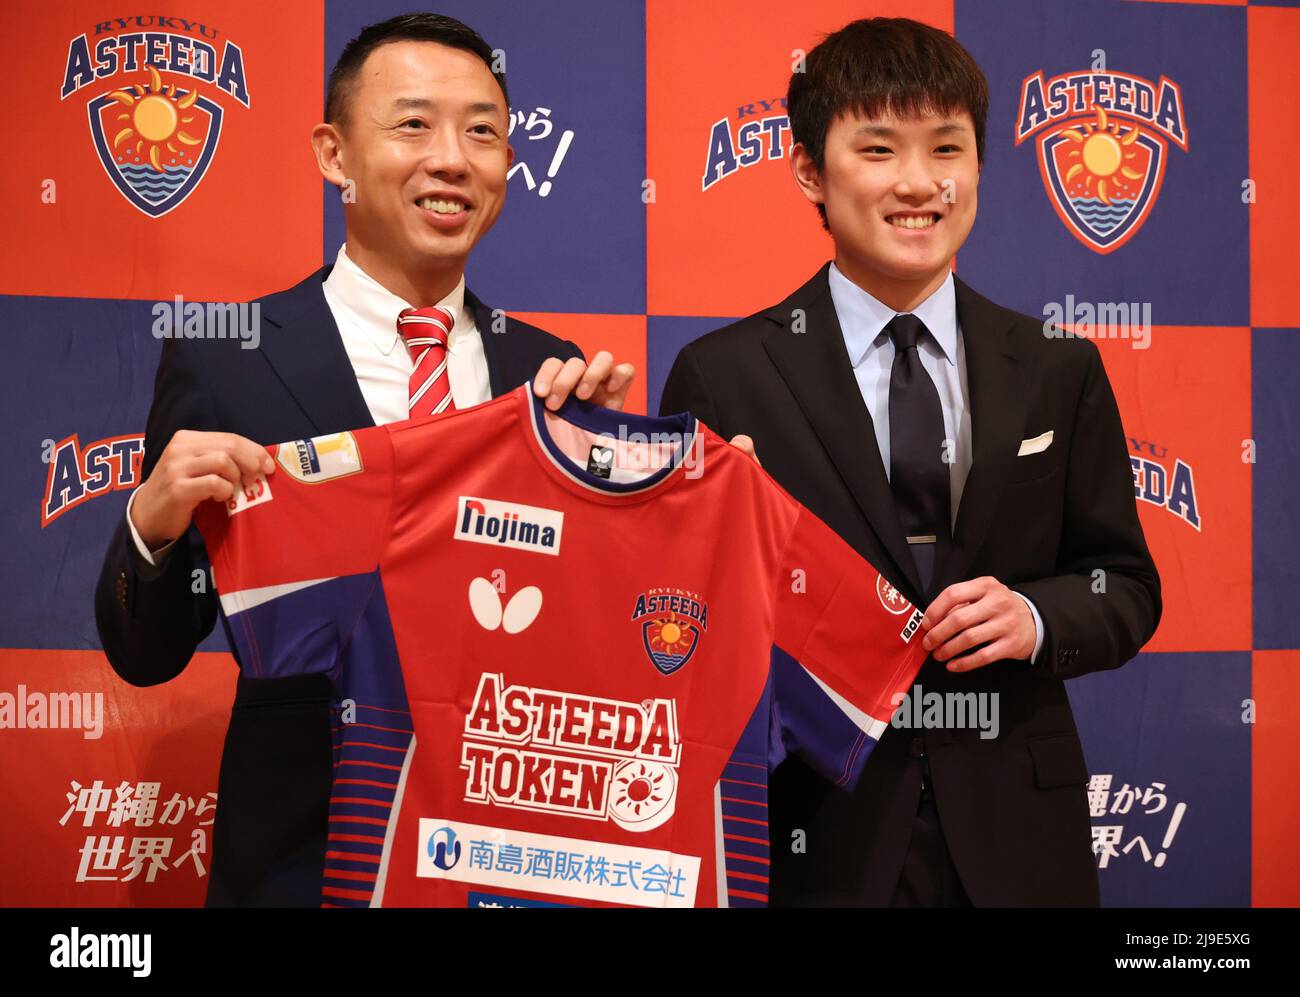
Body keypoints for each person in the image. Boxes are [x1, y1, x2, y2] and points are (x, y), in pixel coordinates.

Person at [93, 12, 639, 906]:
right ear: (334, 155)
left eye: (483, 131)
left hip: (510, 865)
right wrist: (151, 527)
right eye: (414, 124)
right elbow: (145, 655)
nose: (454, 159)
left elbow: (589, 655)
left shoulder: (548, 376)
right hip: (303, 868)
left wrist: (631, 504)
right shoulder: (227, 357)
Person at [660, 17, 1160, 906]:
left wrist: (1035, 617)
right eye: (880, 148)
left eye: (948, 148)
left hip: (1019, 829)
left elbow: (1124, 584)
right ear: (811, 169)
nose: (920, 183)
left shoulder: (1056, 365)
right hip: (811, 828)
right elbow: (673, 617)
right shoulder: (725, 375)